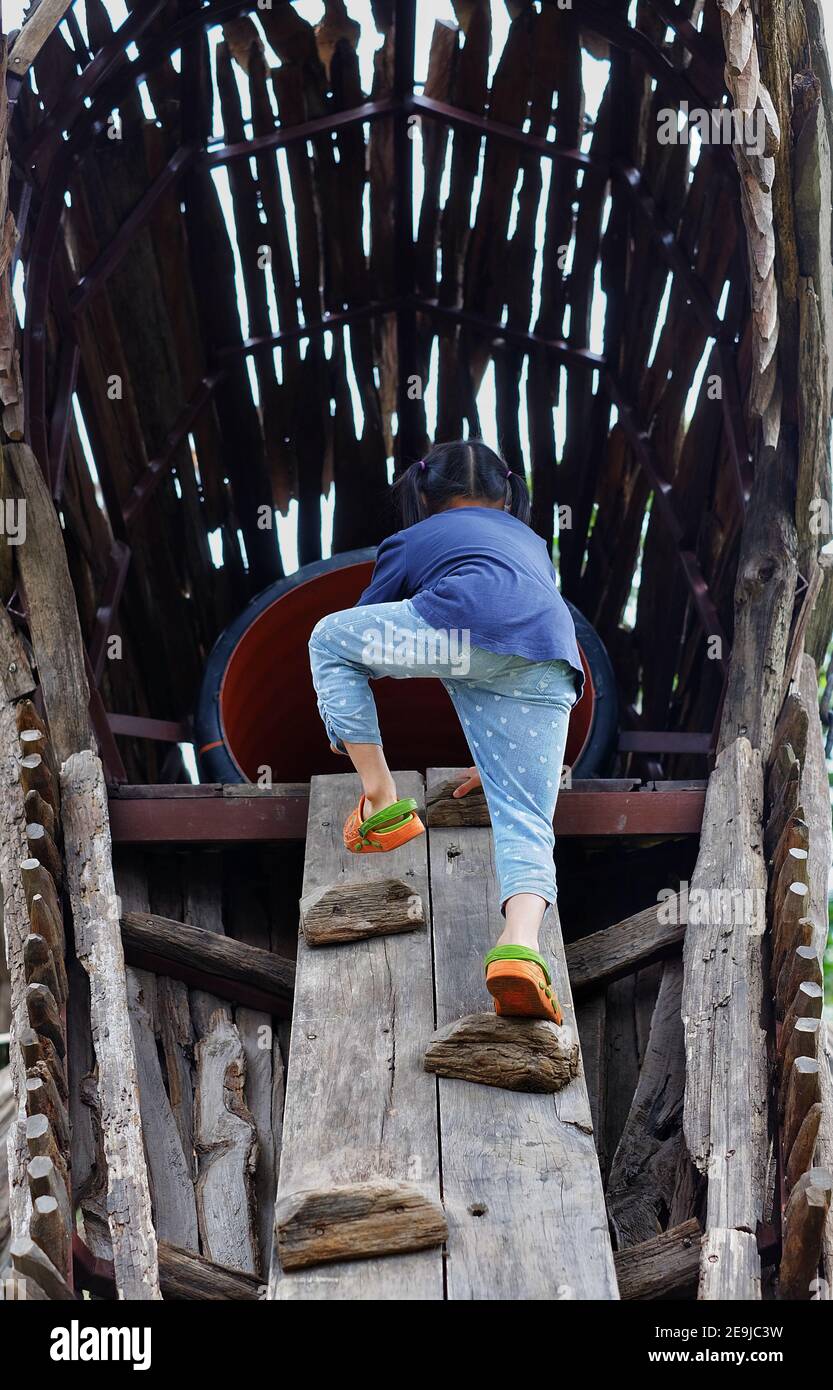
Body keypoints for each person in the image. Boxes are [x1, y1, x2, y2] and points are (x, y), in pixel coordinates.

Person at [308, 439, 583, 1023]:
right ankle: (520, 949)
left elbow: (363, 635)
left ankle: (382, 800)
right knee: (527, 818)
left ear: (423, 494)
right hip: (554, 656)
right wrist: (498, 766)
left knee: (330, 640)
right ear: (508, 496)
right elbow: (515, 626)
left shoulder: (412, 539)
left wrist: (342, 724)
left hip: (458, 636)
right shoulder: (533, 543)